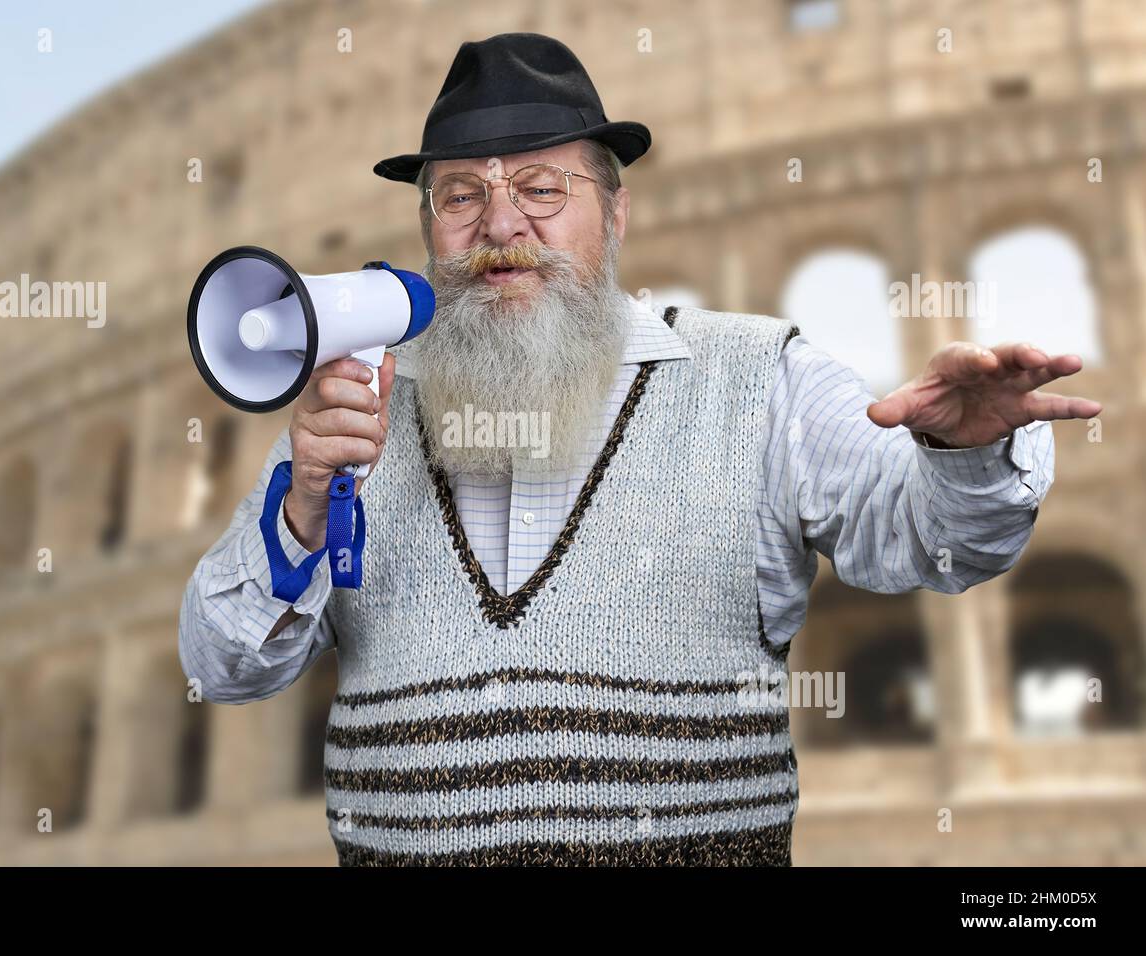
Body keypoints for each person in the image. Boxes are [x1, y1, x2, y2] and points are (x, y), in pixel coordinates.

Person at [178, 33, 1100, 866]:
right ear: (428, 230)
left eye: (542, 188)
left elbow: (934, 544)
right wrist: (300, 515)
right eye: (462, 196)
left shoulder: (756, 378)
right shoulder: (344, 422)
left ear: (615, 217)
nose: (501, 227)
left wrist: (962, 452)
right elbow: (221, 670)